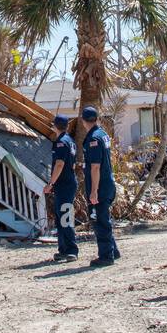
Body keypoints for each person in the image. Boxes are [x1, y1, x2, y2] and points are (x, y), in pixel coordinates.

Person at [80, 106, 120, 266]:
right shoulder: (102, 134)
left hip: (100, 186)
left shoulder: (93, 139)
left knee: (100, 220)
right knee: (103, 218)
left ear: (83, 121)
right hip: (108, 183)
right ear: (97, 119)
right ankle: (113, 251)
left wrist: (94, 191)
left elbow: (95, 166)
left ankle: (106, 256)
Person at [41, 114, 78, 262]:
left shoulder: (62, 142)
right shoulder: (70, 141)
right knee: (61, 216)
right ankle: (63, 249)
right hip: (66, 183)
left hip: (64, 184)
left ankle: (71, 250)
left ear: (55, 126)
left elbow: (60, 164)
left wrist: (50, 184)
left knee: (65, 217)